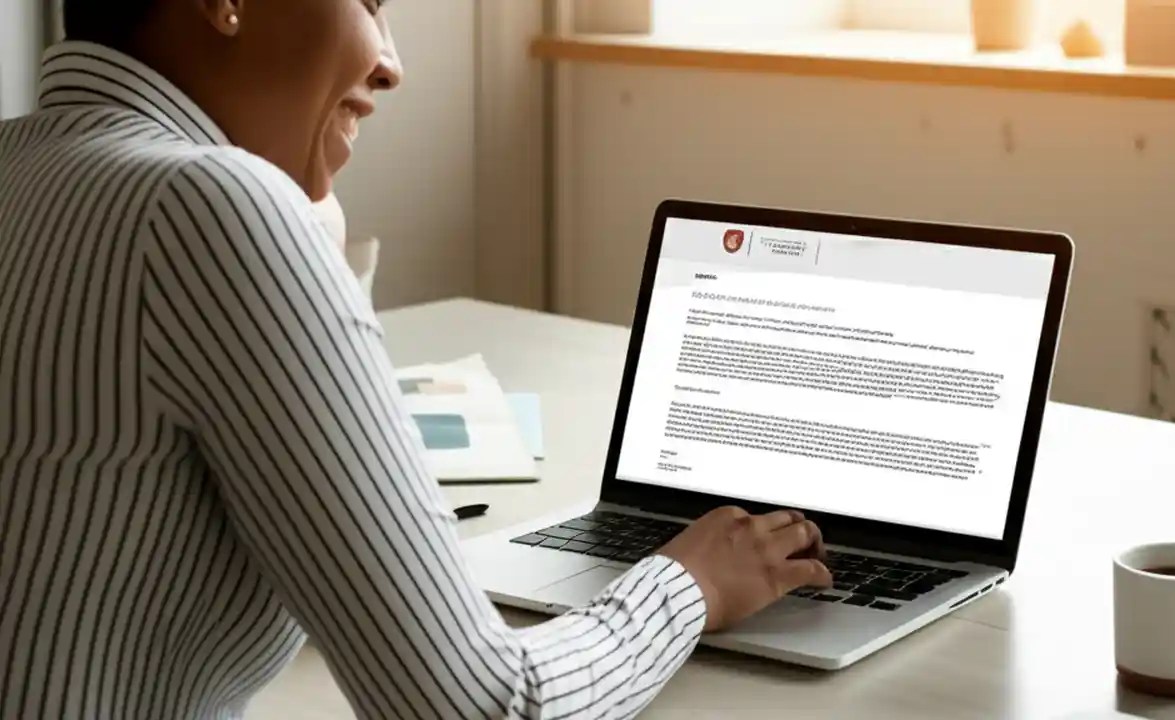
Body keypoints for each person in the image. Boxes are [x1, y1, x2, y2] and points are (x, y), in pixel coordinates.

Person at [0, 1, 832, 718]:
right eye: (369, 3)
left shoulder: (22, 166)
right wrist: (692, 583)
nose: (391, 65)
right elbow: (477, 704)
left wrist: (310, 228)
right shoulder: (211, 208)